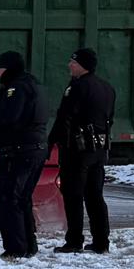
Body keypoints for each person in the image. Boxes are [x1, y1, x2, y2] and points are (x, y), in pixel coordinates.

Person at [0, 51, 49, 258]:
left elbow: (8, 117)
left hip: (18, 152)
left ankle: (16, 248)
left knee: (8, 198)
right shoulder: (34, 85)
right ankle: (28, 245)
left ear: (8, 68)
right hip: (34, 149)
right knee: (22, 199)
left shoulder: (15, 88)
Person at [49, 48, 117, 254]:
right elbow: (109, 119)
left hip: (77, 150)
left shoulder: (77, 87)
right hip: (99, 149)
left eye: (74, 62)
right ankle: (101, 241)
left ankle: (74, 240)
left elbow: (64, 117)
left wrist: (51, 142)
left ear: (83, 66)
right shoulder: (107, 88)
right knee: (95, 196)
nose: (69, 65)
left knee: (73, 195)